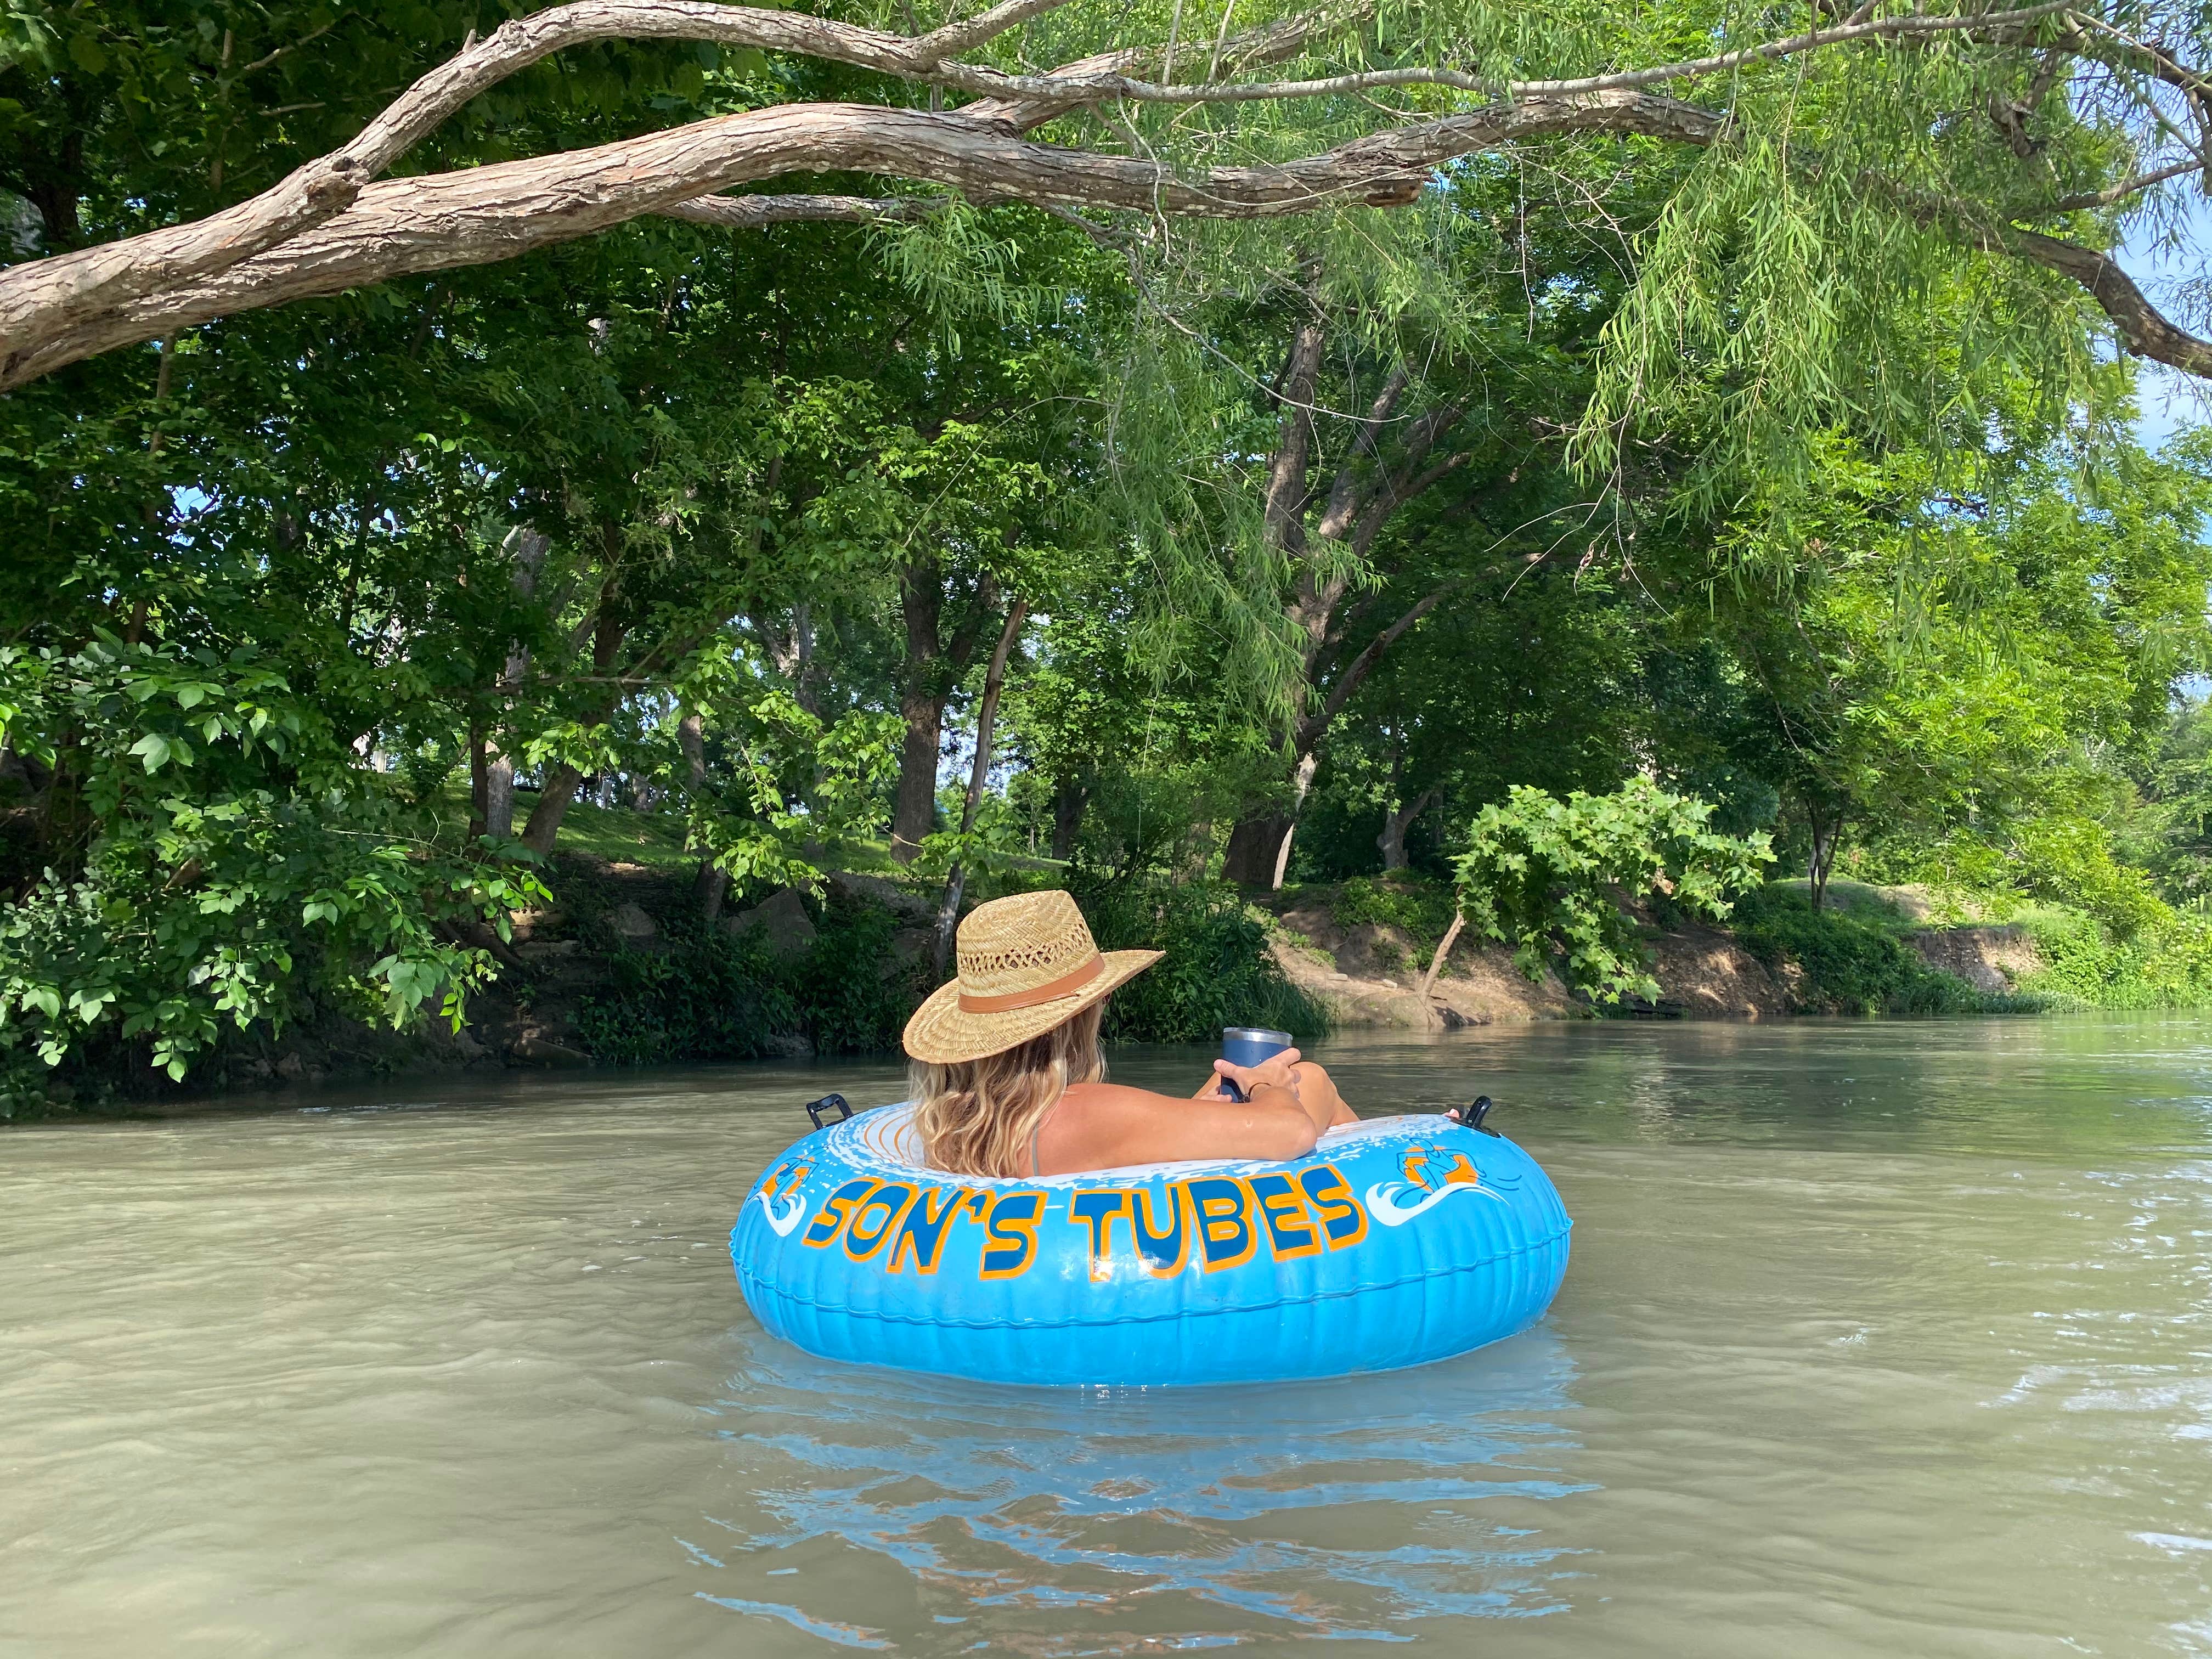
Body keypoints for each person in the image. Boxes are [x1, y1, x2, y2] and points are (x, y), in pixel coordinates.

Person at [904, 889, 1356, 1178]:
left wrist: (1193, 1114)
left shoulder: (953, 1125)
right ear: (1076, 1019)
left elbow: (1111, 1149)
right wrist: (1267, 1085)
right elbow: (1293, 1132)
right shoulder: (1085, 1111)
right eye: (1101, 998)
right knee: (1312, 1078)